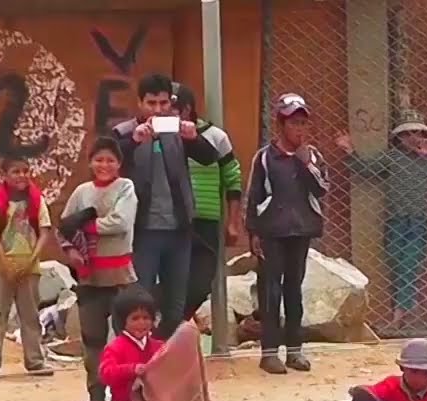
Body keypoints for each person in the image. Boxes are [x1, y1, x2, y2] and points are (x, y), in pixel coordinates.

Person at [112, 73, 219, 340]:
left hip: (179, 229)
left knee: (175, 305)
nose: (157, 110)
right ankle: (133, 360)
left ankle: (164, 360)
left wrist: (194, 138)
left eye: (163, 103)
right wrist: (134, 141)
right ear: (139, 103)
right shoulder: (125, 132)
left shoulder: (178, 131)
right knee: (139, 300)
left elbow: (209, 158)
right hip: (143, 230)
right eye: (151, 103)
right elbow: (107, 159)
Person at [338, 110, 427, 329]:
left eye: (418, 133)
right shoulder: (392, 158)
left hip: (419, 221)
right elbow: (367, 169)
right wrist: (349, 151)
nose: (414, 138)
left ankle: (400, 317)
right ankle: (403, 312)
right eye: (408, 134)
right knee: (396, 263)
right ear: (400, 137)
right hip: (396, 219)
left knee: (409, 265)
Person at [245, 92, 330, 375]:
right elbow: (254, 196)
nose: (299, 129)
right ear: (281, 125)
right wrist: (253, 231)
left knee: (294, 290)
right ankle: (269, 352)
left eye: (304, 123)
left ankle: (295, 350)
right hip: (272, 231)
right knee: (271, 291)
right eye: (293, 123)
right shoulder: (266, 158)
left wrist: (306, 164)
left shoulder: (312, 156)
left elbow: (322, 190)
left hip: (300, 230)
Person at [60, 136, 140, 401]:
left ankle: (129, 397)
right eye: (99, 159)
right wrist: (71, 250)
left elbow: (121, 222)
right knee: (92, 341)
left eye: (110, 160)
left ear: (119, 163)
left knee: (127, 339)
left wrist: (87, 225)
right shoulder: (82, 192)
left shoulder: (125, 188)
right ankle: (95, 397)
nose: (104, 165)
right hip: (90, 278)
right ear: (91, 162)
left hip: (120, 276)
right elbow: (65, 226)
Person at [170, 83, 243, 324]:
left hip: (206, 220)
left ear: (187, 109)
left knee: (201, 282)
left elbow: (232, 178)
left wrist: (233, 222)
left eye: (173, 110)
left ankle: (173, 325)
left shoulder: (215, 137)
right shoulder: (158, 136)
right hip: (170, 220)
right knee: (171, 279)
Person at [0, 157, 54, 379]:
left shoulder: (37, 201)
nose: (21, 175)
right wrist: (5, 265)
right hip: (0, 268)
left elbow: (44, 232)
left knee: (30, 317)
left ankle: (35, 361)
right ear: (4, 176)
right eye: (15, 171)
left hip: (29, 269)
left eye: (25, 171)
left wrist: (32, 261)